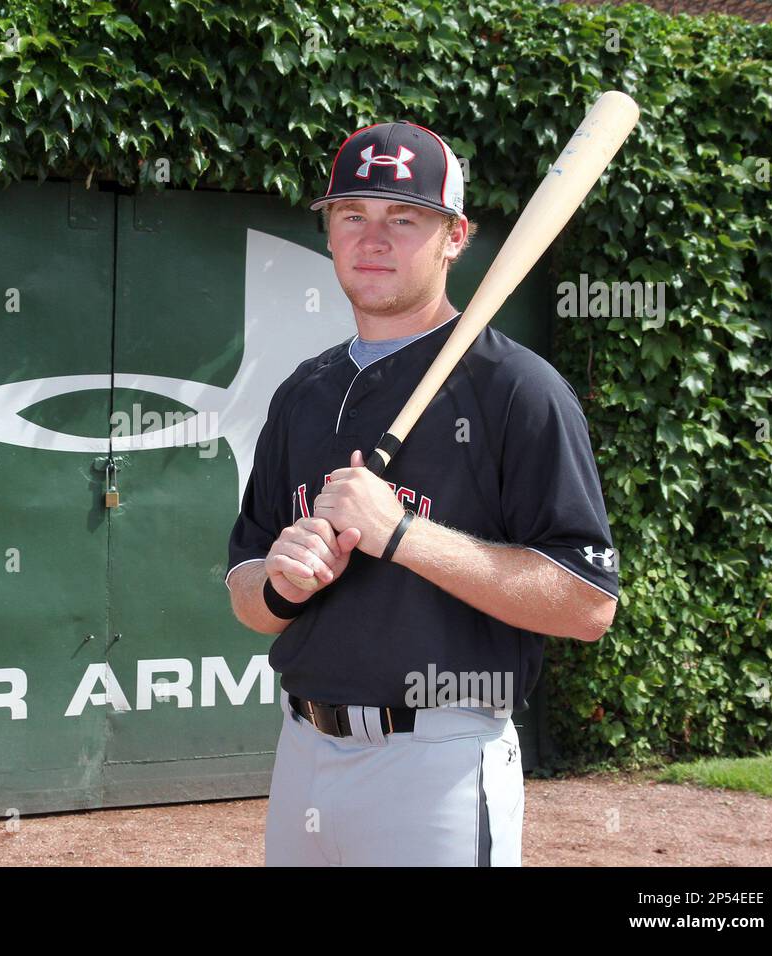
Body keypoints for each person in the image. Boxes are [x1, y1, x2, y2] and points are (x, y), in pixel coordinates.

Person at [224, 120, 620, 866]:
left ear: (454, 237)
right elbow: (248, 596)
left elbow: (587, 604)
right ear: (330, 232)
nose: (372, 239)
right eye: (352, 215)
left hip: (438, 762)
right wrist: (281, 583)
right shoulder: (303, 391)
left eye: (403, 219)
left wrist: (403, 535)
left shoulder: (517, 389)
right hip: (301, 751)